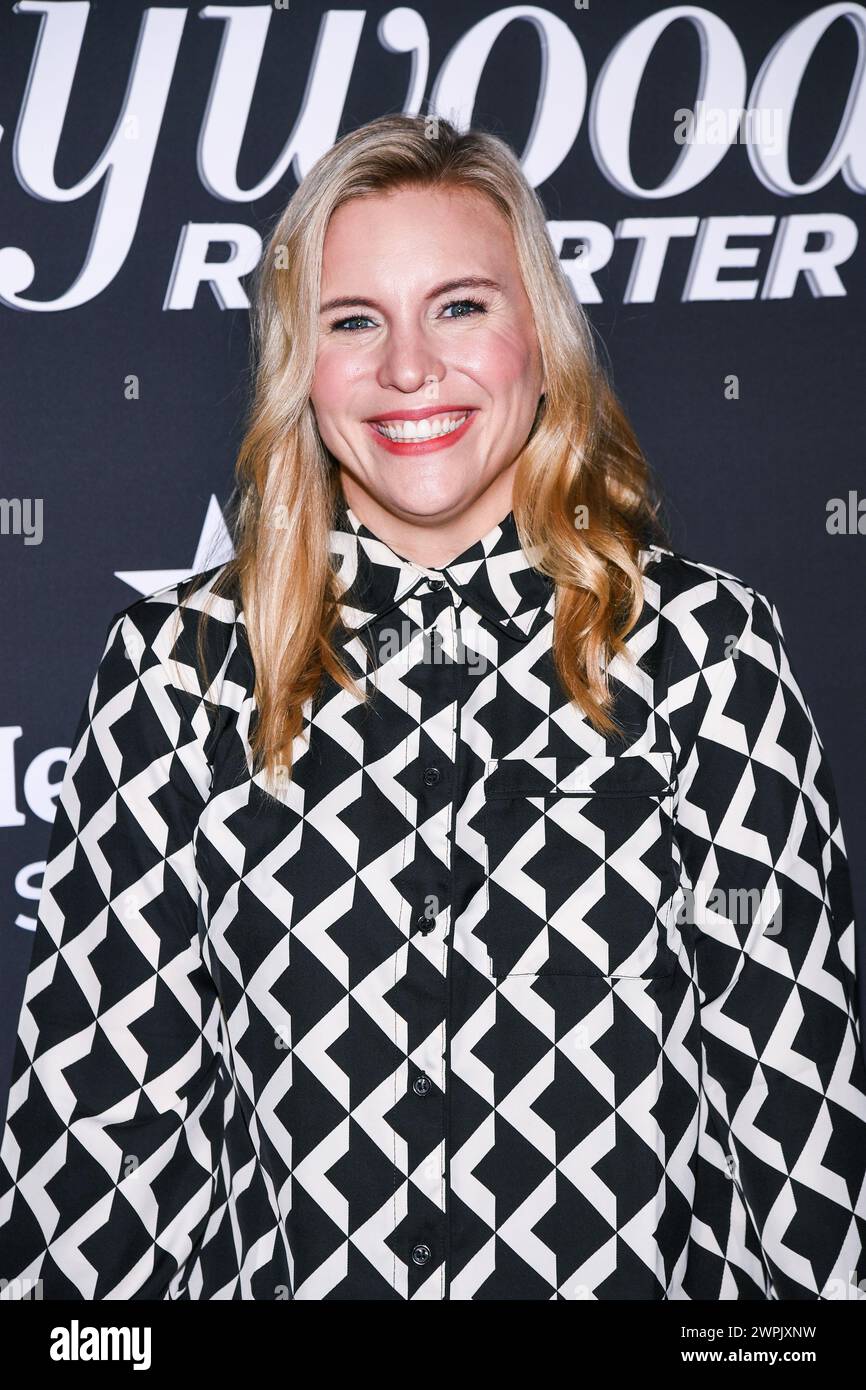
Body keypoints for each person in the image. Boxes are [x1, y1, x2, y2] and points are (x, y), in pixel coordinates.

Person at [1, 112, 865, 1302]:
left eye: (458, 306)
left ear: (540, 340)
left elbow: (800, 1122)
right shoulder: (181, 669)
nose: (408, 368)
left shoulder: (702, 655)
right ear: (300, 361)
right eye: (354, 322)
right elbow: (99, 1150)